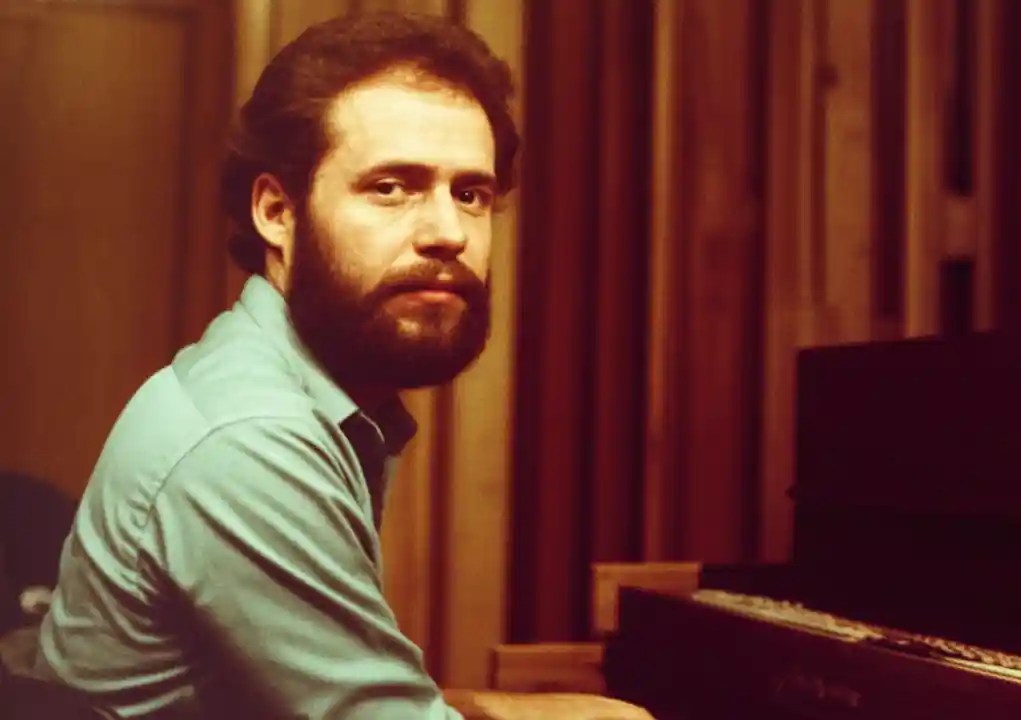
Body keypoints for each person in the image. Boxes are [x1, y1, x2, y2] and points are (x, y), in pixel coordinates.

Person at [32, 12, 651, 720]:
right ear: (276, 212)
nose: (449, 232)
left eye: (470, 194)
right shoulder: (250, 439)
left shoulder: (291, 392)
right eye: (392, 187)